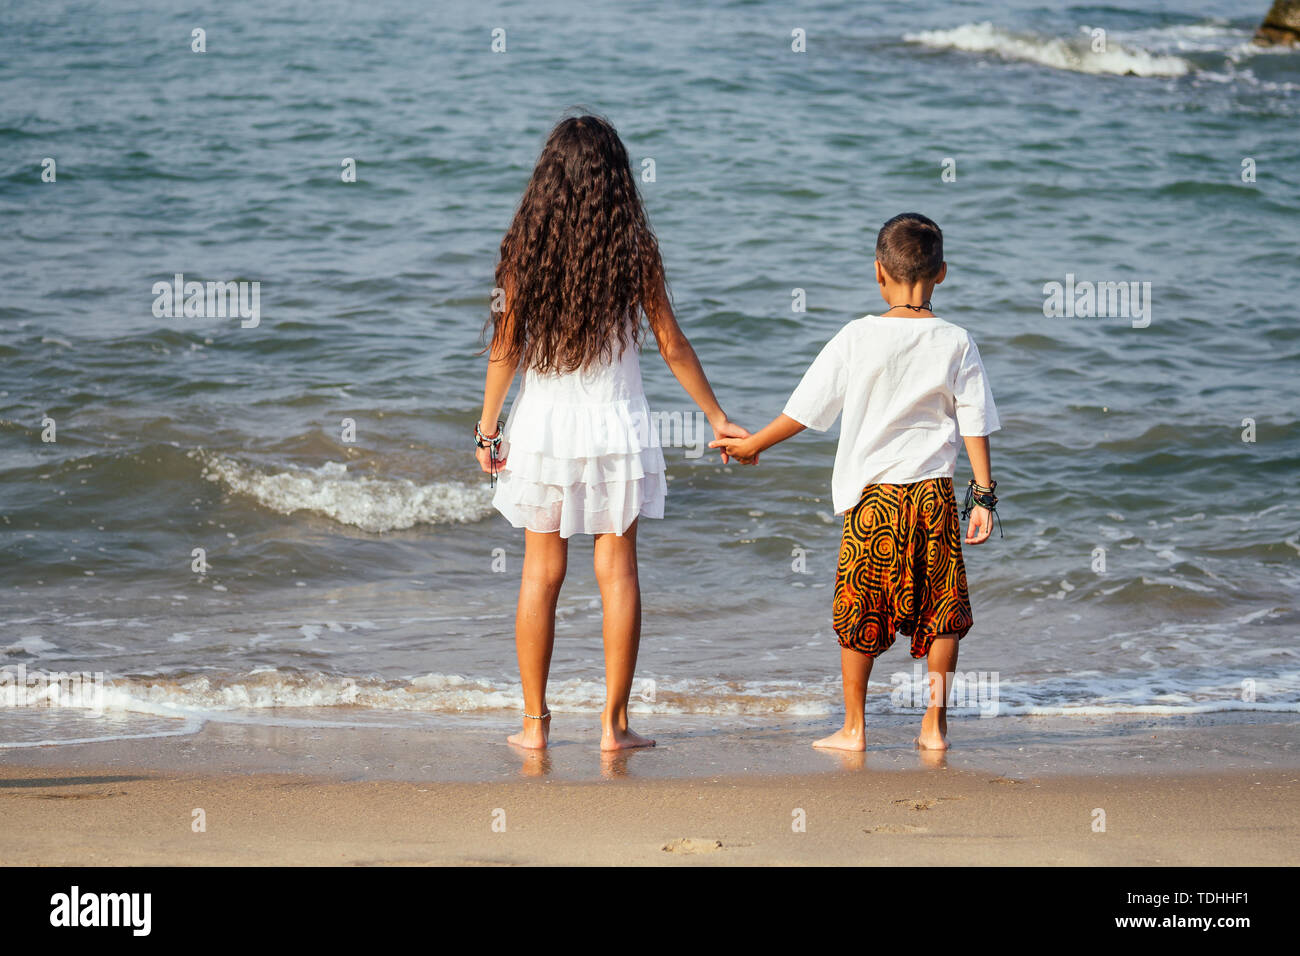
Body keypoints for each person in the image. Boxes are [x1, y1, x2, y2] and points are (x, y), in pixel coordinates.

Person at [475, 114, 749, 751]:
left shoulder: (525, 251)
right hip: (615, 425)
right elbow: (672, 344)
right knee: (618, 574)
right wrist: (715, 415)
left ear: (546, 180)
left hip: (542, 429)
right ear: (617, 179)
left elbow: (504, 347)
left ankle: (534, 726)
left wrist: (488, 429)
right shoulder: (633, 250)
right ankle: (613, 726)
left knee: (540, 575)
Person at [710, 213, 1001, 751]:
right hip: (934, 494)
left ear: (878, 273)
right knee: (942, 614)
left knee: (860, 608)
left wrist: (752, 445)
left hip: (874, 500)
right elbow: (974, 421)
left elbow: (806, 409)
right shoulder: (957, 341)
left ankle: (854, 728)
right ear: (942, 274)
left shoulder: (856, 336)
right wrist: (982, 496)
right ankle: (934, 728)